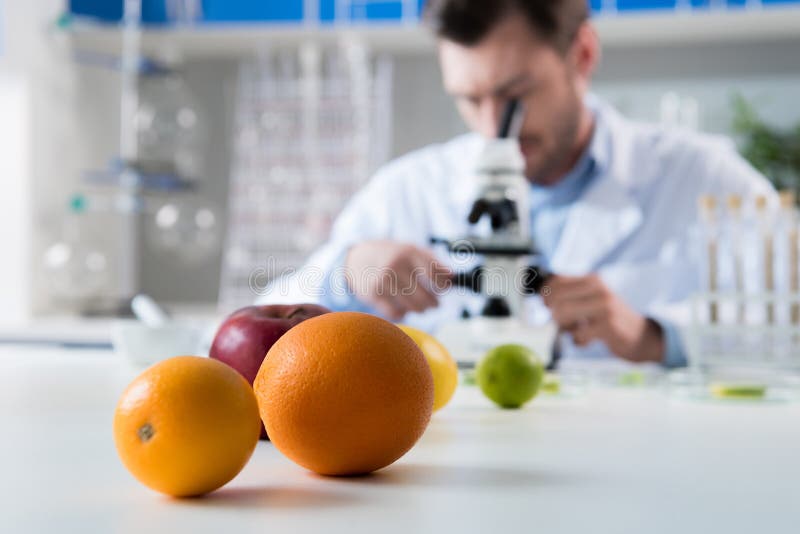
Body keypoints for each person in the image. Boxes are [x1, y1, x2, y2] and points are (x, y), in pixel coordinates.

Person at [259, 0, 774, 368]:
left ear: (583, 56)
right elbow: (253, 331)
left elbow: (782, 335)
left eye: (515, 92)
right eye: (469, 98)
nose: (491, 127)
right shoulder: (408, 189)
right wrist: (346, 272)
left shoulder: (707, 180)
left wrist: (659, 339)